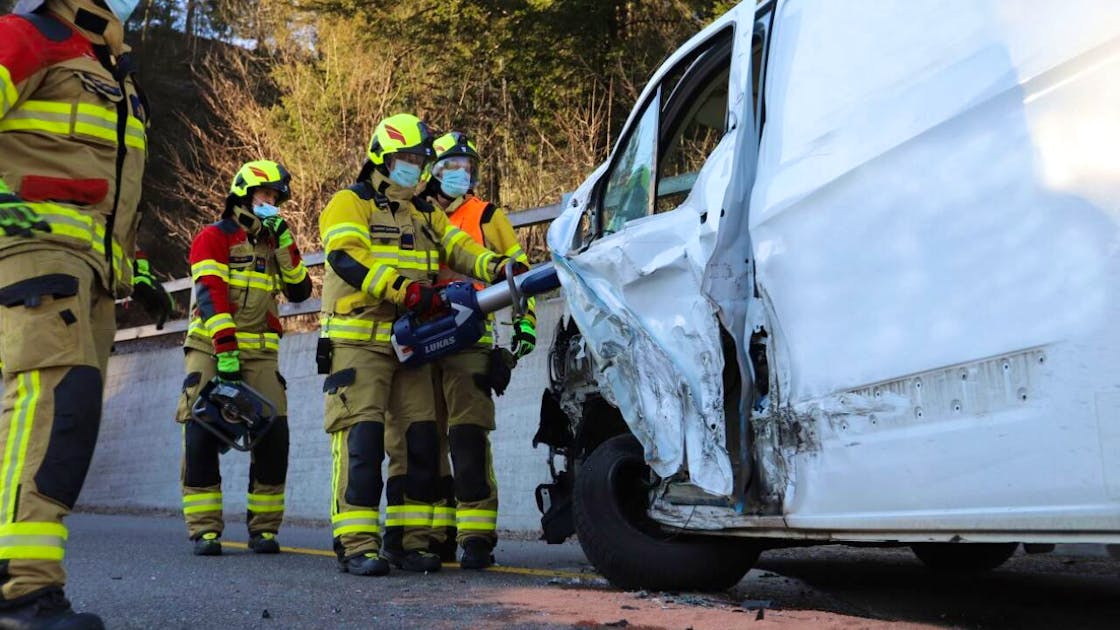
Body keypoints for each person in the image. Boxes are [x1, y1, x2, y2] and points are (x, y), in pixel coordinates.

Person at [0, 0, 173, 626]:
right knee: (54, 401)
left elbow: (108, 197)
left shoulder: (112, 73)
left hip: (91, 271)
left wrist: (141, 270)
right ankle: (19, 590)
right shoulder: (26, 36)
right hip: (30, 251)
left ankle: (29, 585)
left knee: (69, 421)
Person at [319, 113, 519, 576]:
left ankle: (407, 543)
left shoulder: (423, 210)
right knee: (362, 441)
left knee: (420, 442)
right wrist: (406, 290)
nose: (415, 165)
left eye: (419, 158)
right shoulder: (349, 203)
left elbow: (458, 247)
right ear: (383, 157)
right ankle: (356, 543)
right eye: (407, 158)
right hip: (360, 342)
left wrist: (496, 268)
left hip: (409, 345)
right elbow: (348, 258)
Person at [384, 132, 535, 569]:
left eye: (468, 167)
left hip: (470, 339)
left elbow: (519, 279)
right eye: (453, 166)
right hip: (423, 335)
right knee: (423, 441)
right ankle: (432, 535)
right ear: (434, 170)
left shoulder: (488, 215)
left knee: (467, 438)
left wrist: (517, 343)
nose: (462, 174)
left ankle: (475, 538)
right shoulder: (416, 213)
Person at [174, 160, 311, 557]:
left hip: (260, 353)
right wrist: (226, 351)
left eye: (276, 198)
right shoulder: (212, 237)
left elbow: (300, 291)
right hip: (211, 349)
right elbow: (210, 295)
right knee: (199, 431)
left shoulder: (273, 244)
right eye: (265, 195)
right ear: (243, 196)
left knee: (275, 434)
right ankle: (205, 530)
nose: (272, 203)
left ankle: (263, 530)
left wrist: (286, 241)